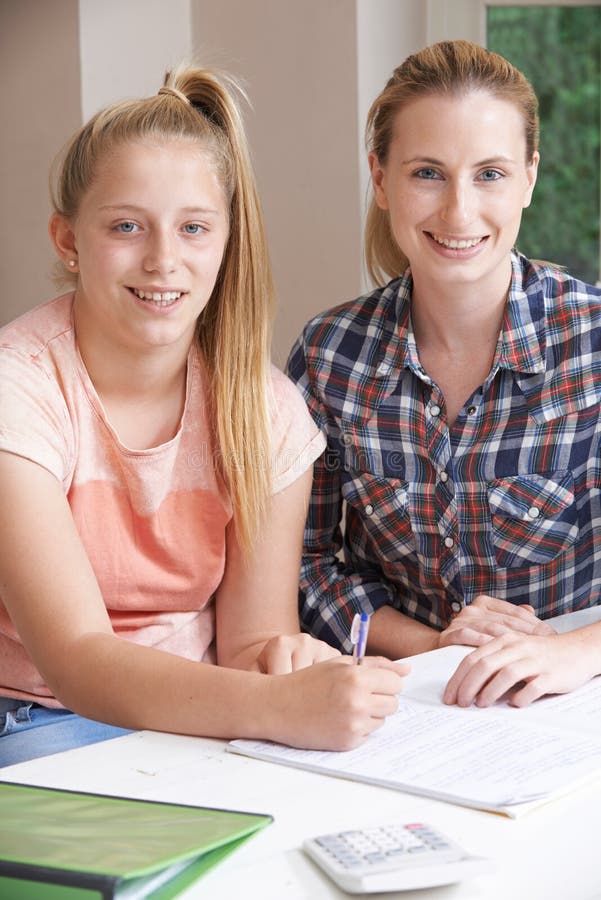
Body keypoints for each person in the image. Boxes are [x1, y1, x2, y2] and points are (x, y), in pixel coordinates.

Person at [0, 64, 406, 767]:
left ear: (225, 242)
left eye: (193, 228)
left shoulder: (268, 413)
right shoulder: (21, 391)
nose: (163, 260)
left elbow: (249, 645)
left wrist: (286, 667)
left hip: (196, 717)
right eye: (127, 226)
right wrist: (275, 707)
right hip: (32, 715)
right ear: (68, 241)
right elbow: (75, 659)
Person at [287, 39, 601, 709]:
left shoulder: (591, 344)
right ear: (380, 179)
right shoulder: (329, 355)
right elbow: (304, 568)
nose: (458, 212)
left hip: (570, 700)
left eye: (489, 174)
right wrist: (439, 648)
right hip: (407, 698)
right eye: (428, 173)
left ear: (529, 178)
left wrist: (573, 652)